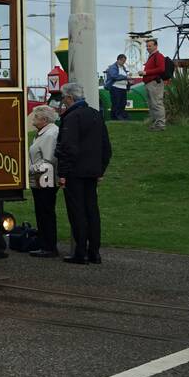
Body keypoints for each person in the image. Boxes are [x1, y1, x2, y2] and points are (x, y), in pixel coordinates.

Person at [54, 82, 111, 265]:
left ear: (70, 98)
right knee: (92, 211)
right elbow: (106, 147)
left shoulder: (71, 118)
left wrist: (62, 173)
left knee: (77, 212)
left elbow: (67, 148)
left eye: (63, 98)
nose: (63, 102)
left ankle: (81, 252)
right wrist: (100, 169)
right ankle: (94, 252)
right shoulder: (95, 114)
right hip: (92, 171)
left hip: (75, 172)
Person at [27, 104, 61, 258]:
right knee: (42, 212)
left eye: (36, 117)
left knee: (45, 212)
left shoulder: (50, 135)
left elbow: (48, 159)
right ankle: (45, 244)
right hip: (41, 178)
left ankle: (48, 246)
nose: (33, 119)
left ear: (45, 119)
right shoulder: (44, 133)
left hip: (46, 179)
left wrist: (30, 169)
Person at [134, 37, 167, 130]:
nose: (148, 47)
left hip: (154, 83)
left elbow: (161, 69)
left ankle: (160, 125)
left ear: (156, 46)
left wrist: (145, 72)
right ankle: (156, 124)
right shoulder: (152, 56)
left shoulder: (158, 56)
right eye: (147, 46)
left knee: (156, 103)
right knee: (152, 104)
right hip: (150, 82)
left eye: (150, 46)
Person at [103, 54, 129, 120]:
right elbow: (114, 76)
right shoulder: (112, 67)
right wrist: (125, 77)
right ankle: (115, 117)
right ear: (118, 60)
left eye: (124, 61)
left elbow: (123, 77)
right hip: (115, 88)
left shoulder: (123, 68)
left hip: (123, 88)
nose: (124, 62)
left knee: (123, 103)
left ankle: (121, 116)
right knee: (116, 103)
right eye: (123, 61)